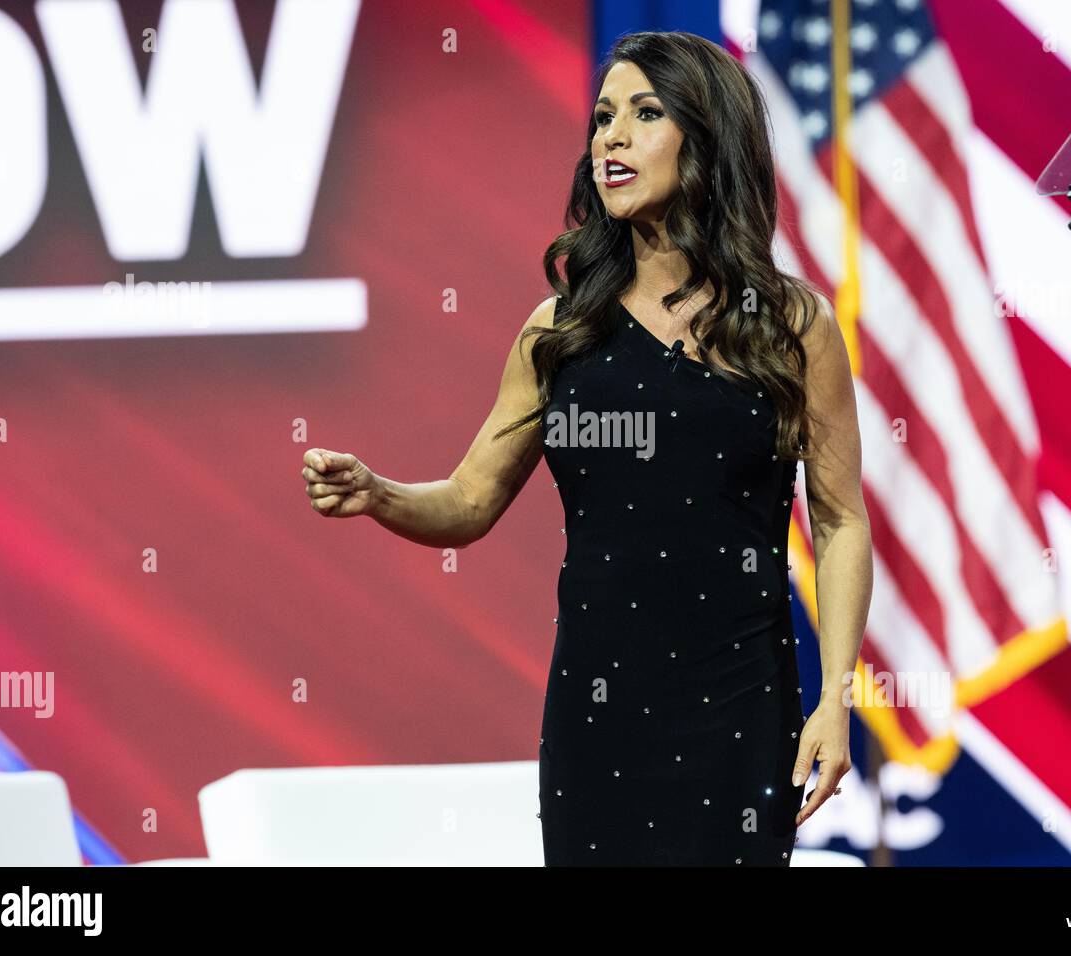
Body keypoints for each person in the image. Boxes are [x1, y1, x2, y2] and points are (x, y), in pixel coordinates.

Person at [301, 31, 872, 866]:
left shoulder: (789, 327)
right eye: (604, 117)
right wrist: (378, 493)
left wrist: (835, 702)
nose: (612, 136)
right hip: (597, 718)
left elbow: (842, 520)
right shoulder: (560, 335)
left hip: (741, 709)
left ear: (708, 138)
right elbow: (467, 501)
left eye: (646, 114)